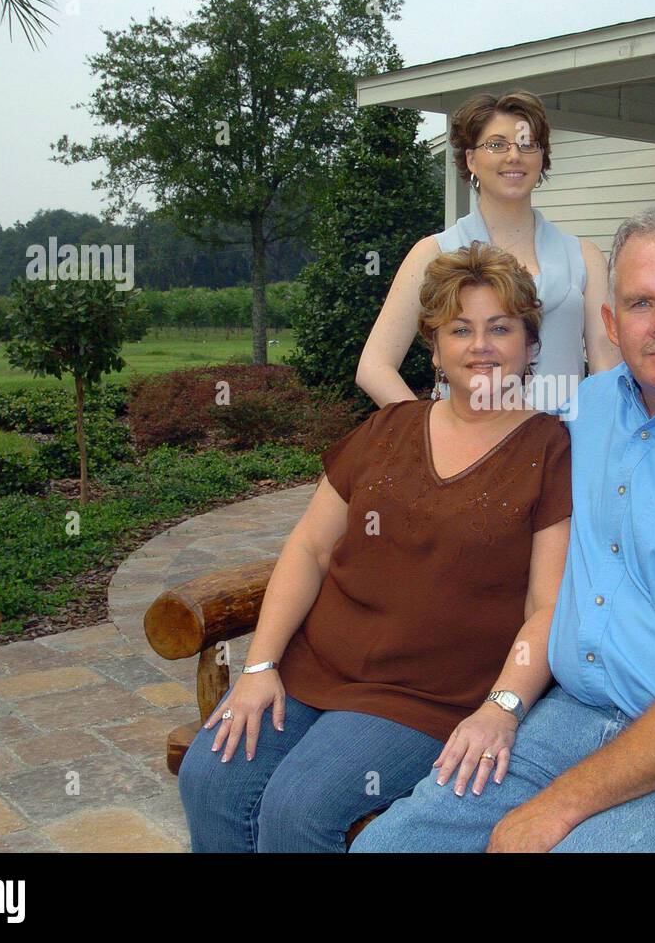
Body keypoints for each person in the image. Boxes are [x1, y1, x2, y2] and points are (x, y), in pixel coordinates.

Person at [351, 206, 655, 853]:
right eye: (641, 303)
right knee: (386, 848)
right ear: (611, 324)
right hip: (570, 719)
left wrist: (553, 811)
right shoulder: (585, 411)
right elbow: (485, 477)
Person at [178, 242, 573, 851]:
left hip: (427, 697)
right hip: (316, 666)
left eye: (501, 328)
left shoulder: (550, 450)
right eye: (459, 329)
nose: (481, 346)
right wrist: (259, 666)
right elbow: (308, 548)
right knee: (209, 778)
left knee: (298, 808)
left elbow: (547, 607)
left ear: (529, 344)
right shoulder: (387, 428)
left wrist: (503, 706)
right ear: (435, 347)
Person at [356, 90, 621, 412]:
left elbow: (608, 366)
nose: (514, 156)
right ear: (470, 159)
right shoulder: (434, 253)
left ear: (542, 158)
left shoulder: (584, 257)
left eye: (527, 144)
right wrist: (428, 434)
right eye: (496, 144)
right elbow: (374, 366)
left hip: (562, 448)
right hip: (467, 453)